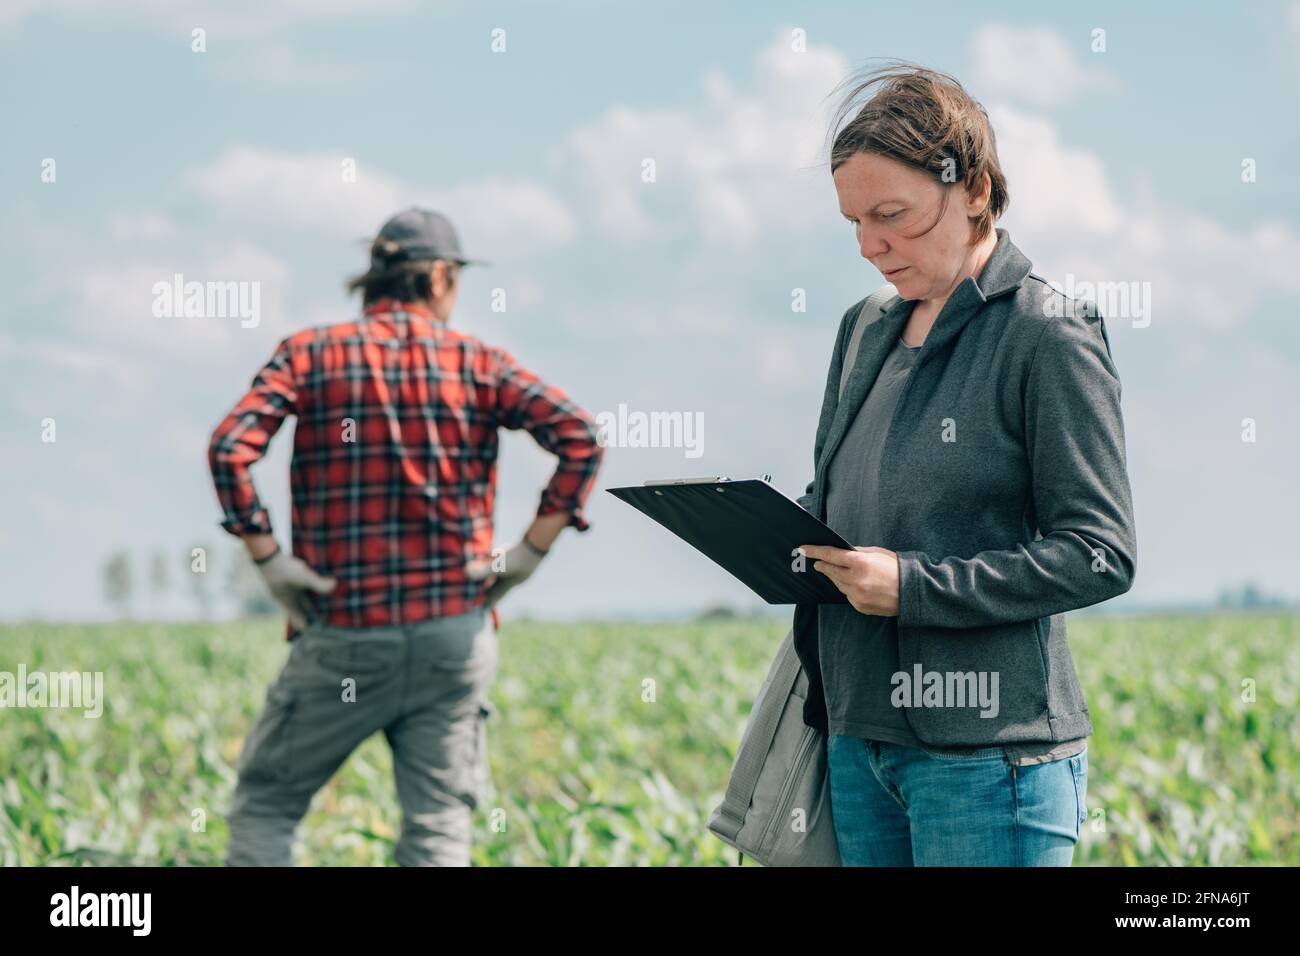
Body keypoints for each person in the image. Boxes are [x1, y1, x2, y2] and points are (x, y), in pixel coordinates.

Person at [792, 64, 1136, 866]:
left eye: (892, 216)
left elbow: (1099, 553)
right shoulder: (863, 329)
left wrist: (913, 586)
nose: (871, 246)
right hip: (858, 739)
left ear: (973, 190)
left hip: (989, 759)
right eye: (854, 222)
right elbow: (840, 500)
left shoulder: (1048, 334)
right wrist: (773, 534)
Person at [208, 207, 604, 866]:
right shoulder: (480, 362)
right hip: (455, 635)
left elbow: (229, 449)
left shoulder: (308, 353)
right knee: (438, 829)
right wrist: (529, 552)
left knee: (268, 805)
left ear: (375, 279)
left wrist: (270, 560)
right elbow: (580, 435)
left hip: (345, 634)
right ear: (442, 278)